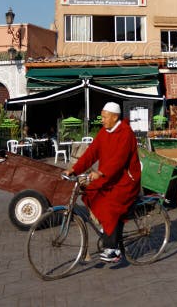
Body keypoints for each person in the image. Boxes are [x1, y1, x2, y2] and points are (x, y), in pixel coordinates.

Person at [63, 102, 141, 264]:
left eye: (105, 117)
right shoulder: (104, 132)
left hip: (126, 180)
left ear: (115, 117)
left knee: (111, 205)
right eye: (102, 117)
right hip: (110, 177)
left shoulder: (126, 133)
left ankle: (113, 250)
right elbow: (91, 153)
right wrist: (74, 170)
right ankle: (107, 227)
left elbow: (119, 160)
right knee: (91, 193)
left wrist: (100, 172)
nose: (102, 120)